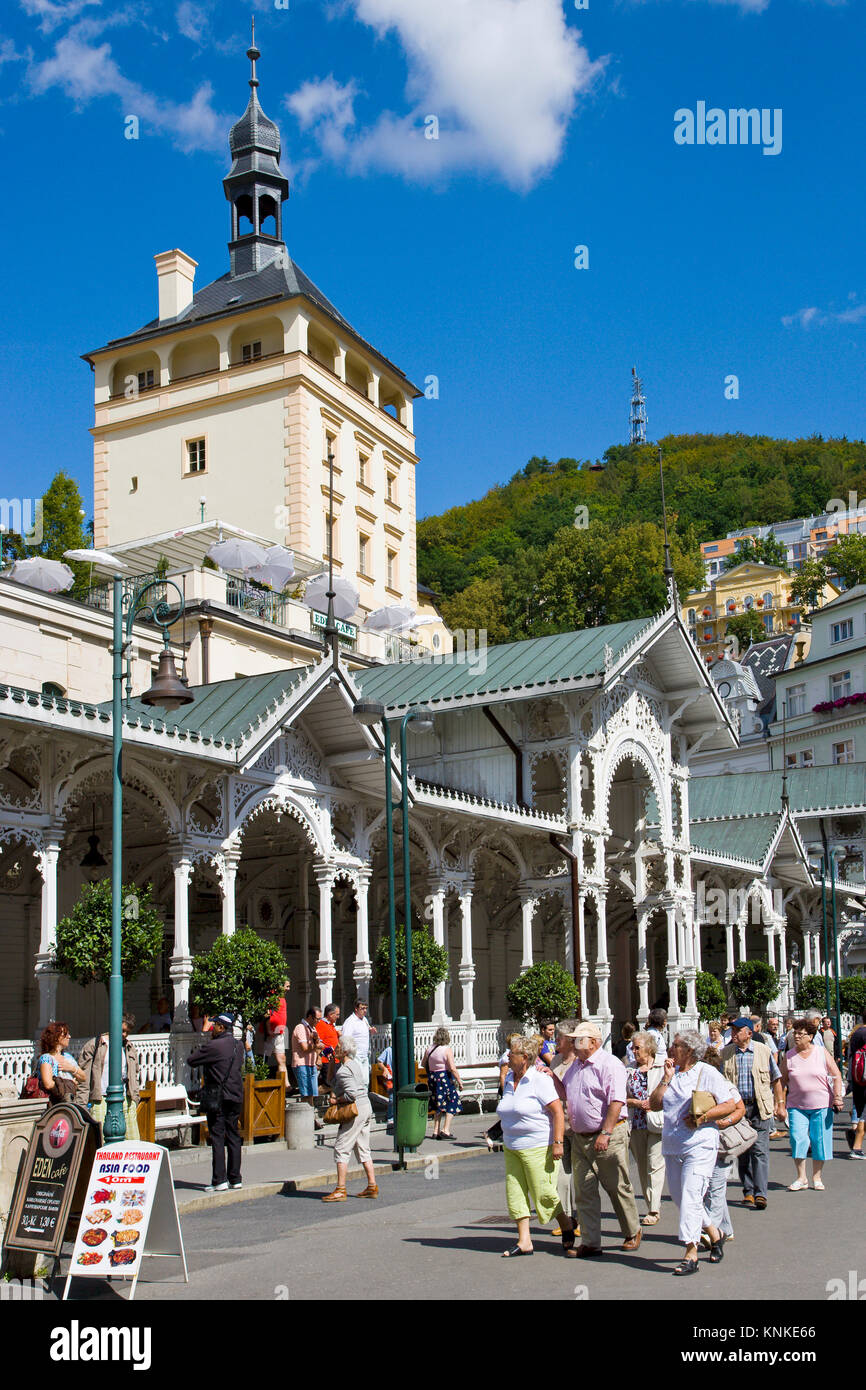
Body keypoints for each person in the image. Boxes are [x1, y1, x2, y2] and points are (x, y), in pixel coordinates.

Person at [650, 1030, 740, 1275]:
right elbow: (655, 1104)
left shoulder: (706, 1072)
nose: (671, 1049)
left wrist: (704, 1117)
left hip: (700, 1143)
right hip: (672, 1145)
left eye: (676, 1045)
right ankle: (714, 1233)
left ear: (689, 1050)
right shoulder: (671, 1073)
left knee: (691, 1195)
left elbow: (729, 1104)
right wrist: (666, 1079)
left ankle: (691, 1252)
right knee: (681, 1198)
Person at [558, 1021, 641, 1258]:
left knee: (616, 1185)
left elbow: (616, 1101)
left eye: (579, 1039)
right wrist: (550, 1077)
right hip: (581, 1137)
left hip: (607, 1134)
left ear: (594, 1042)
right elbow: (565, 1092)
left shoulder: (609, 1064)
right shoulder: (576, 1066)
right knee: (584, 1190)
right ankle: (590, 1241)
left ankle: (632, 1230)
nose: (574, 1042)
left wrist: (605, 1132)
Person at [496, 1034, 577, 1257]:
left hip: (538, 1145)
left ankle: (566, 1223)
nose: (508, 1057)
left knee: (543, 1192)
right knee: (515, 1192)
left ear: (525, 1057)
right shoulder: (509, 1078)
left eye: (512, 1053)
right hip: (512, 1145)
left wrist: (558, 1143)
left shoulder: (539, 1080)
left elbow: (558, 1112)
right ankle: (524, 1241)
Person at [719, 1016, 785, 1211]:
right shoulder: (726, 1053)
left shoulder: (763, 1051)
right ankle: (748, 1190)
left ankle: (760, 1193)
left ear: (749, 1033)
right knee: (743, 1151)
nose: (733, 1034)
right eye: (732, 1030)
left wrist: (780, 1104)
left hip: (759, 1107)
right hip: (738, 1110)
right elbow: (720, 1082)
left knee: (760, 1150)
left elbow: (776, 1079)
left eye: (737, 1030)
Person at [778, 1018, 845, 1190]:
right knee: (797, 1139)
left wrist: (837, 1097)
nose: (797, 1036)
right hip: (796, 1105)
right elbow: (781, 1081)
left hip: (821, 1104)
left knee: (819, 1140)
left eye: (801, 1034)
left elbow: (836, 1074)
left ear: (811, 1036)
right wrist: (779, 1103)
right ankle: (801, 1177)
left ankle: (817, 1177)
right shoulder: (789, 1055)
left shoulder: (821, 1052)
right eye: (795, 1033)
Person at [188, 1013, 245, 1193]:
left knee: (218, 1137)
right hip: (235, 1095)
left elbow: (192, 1060)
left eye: (214, 1026)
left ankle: (219, 1180)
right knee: (234, 1135)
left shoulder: (214, 1045)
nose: (212, 1028)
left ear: (221, 1027)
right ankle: (235, 1178)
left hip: (218, 1097)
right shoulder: (238, 1045)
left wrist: (205, 1036)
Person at [321, 1035, 378, 1201]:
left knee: (341, 1147)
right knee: (362, 1147)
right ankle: (372, 1186)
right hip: (366, 1106)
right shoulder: (354, 1065)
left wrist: (336, 1100)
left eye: (339, 1046)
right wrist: (332, 1062)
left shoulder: (344, 1070)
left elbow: (351, 1094)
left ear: (345, 1051)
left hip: (355, 1110)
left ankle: (340, 1189)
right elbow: (332, 1081)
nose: (336, 1048)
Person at [700, 1046, 745, 1251]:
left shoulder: (724, 1085)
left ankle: (711, 1232)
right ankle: (726, 1228)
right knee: (713, 1189)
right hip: (704, 1145)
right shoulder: (697, 1088)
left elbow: (740, 1109)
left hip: (723, 1145)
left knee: (715, 1188)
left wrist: (724, 1122)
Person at [76, 1014, 141, 1139]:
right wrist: (82, 1104)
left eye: (127, 1032)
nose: (124, 1035)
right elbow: (84, 1077)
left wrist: (135, 1099)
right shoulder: (95, 1045)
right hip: (100, 1098)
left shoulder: (129, 1048)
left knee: (133, 1140)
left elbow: (134, 1074)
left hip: (125, 1098)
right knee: (101, 1139)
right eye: (122, 1030)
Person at [626, 1030, 666, 1226]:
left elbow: (670, 1092)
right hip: (636, 1123)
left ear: (649, 1048)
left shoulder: (662, 1067)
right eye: (633, 1048)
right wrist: (635, 1102)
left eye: (638, 1048)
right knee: (642, 1166)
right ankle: (650, 1202)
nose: (634, 1051)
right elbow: (620, 1097)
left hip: (657, 1121)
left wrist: (655, 1102)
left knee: (654, 1163)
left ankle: (654, 1209)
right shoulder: (629, 1070)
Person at [549, 1022, 579, 1234]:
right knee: (561, 1175)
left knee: (580, 1176)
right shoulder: (556, 1060)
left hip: (578, 1125)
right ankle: (567, 1219)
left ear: (570, 1040)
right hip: (559, 1125)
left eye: (559, 1037)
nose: (556, 1040)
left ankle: (582, 1218)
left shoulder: (579, 1061)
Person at [422, 1028, 463, 1139]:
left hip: (432, 1078)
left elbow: (423, 1063)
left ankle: (436, 1131)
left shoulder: (429, 1049)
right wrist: (459, 1081)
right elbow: (452, 1068)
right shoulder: (446, 1050)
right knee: (453, 1100)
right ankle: (446, 1129)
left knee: (437, 1103)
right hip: (444, 1078)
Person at [291, 1006, 323, 1128]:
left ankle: (311, 1118)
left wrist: (318, 1056)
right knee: (306, 1094)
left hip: (311, 1063)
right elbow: (304, 1048)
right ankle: (307, 1120)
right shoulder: (300, 1028)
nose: (318, 1021)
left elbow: (317, 1045)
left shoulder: (313, 1029)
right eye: (317, 1019)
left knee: (311, 1094)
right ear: (310, 1017)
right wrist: (317, 1046)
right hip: (301, 1063)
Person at [38, 1022, 86, 1100]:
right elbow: (48, 1084)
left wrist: (71, 1069)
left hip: (68, 1100)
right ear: (56, 1037)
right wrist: (70, 1084)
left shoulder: (67, 1056)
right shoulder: (46, 1058)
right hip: (53, 1102)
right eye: (66, 1034)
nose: (69, 1037)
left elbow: (83, 1077)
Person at [846, 1011, 866, 1159]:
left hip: (858, 1076)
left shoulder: (857, 1033)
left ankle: (855, 1140)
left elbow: (851, 1056)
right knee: (864, 1114)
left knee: (863, 1110)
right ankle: (857, 1147)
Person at [340, 999, 377, 1080]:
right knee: (358, 1080)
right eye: (362, 1008)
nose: (365, 1011)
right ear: (356, 1009)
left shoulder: (364, 1020)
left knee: (365, 1081)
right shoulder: (350, 1021)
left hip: (365, 1056)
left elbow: (366, 1031)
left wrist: (371, 1030)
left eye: (366, 1008)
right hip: (355, 1056)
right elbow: (345, 1039)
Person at [265, 980, 290, 1082]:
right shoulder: (272, 997)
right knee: (263, 1059)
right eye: (286, 986)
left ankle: (286, 1085)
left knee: (282, 1059)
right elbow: (266, 1014)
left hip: (279, 1033)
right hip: (270, 1034)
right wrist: (268, 1030)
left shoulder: (282, 998)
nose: (288, 989)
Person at [316, 1002, 342, 1085]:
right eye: (337, 1014)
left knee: (335, 1085)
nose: (338, 1017)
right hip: (327, 1061)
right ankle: (314, 1092)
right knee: (330, 1085)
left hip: (335, 1060)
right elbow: (318, 1043)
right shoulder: (321, 1025)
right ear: (330, 1014)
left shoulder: (331, 1025)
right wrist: (319, 1059)